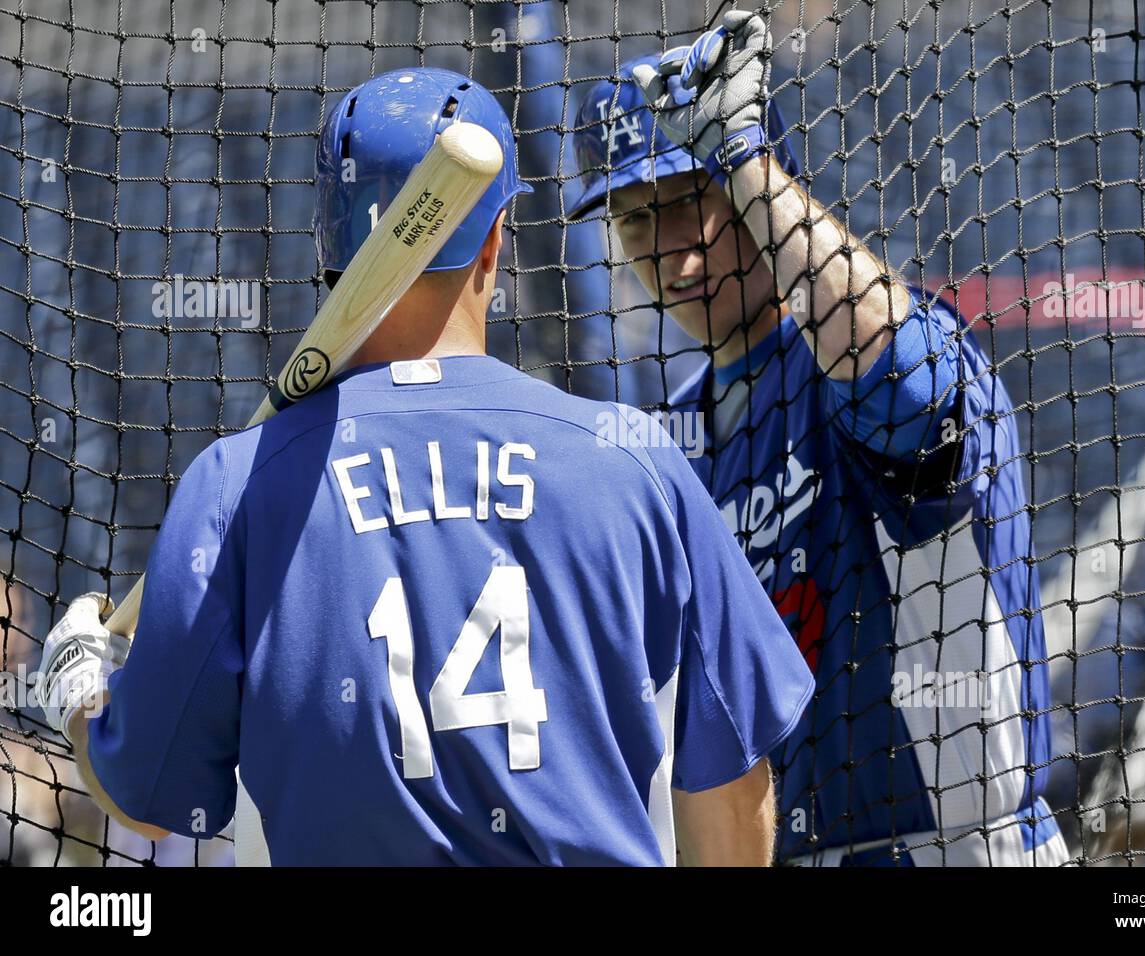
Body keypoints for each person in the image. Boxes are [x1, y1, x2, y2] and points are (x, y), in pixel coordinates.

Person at [34, 67, 814, 866]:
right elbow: (728, 781)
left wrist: (78, 687)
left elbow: (149, 798)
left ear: (327, 241)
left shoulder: (237, 486)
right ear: (497, 239)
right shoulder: (634, 460)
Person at [571, 10, 1067, 865]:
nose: (674, 255)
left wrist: (744, 159)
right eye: (637, 222)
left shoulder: (870, 350)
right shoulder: (666, 441)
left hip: (957, 846)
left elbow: (904, 384)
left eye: (693, 201)